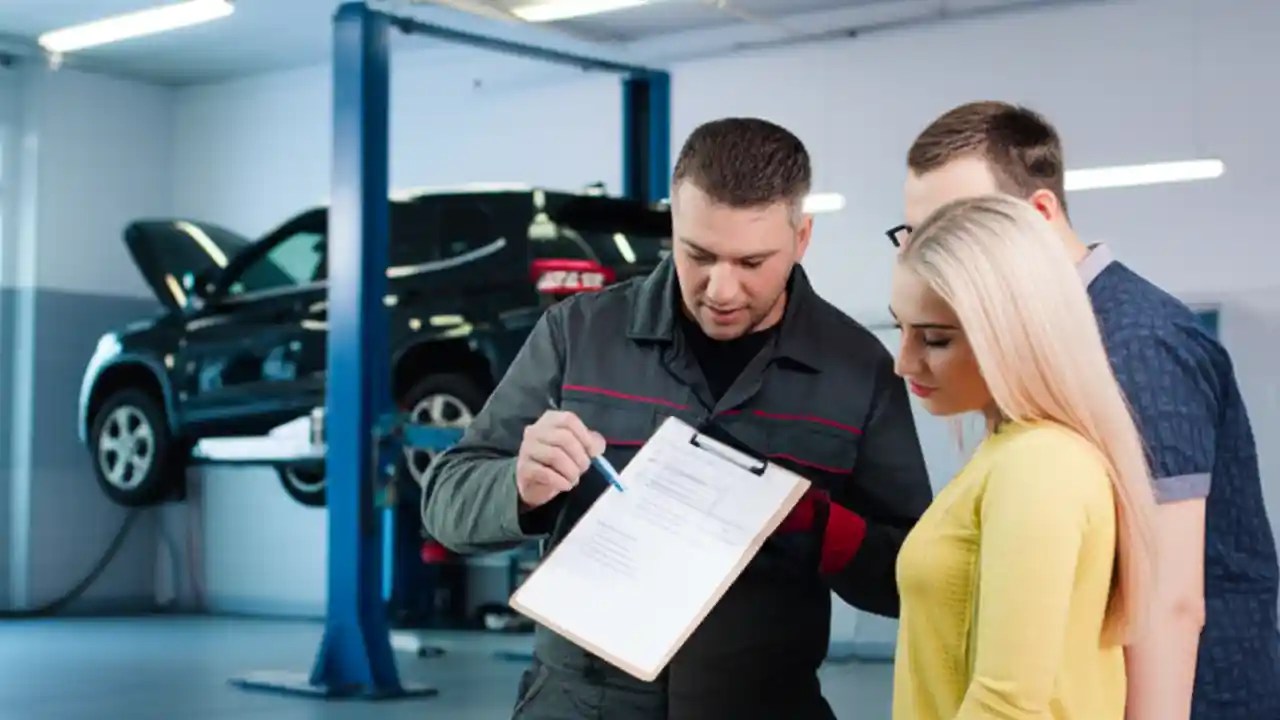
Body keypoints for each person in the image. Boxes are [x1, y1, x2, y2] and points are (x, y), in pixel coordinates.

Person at [421, 117, 934, 719]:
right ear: (674, 227)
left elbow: (913, 576)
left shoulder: (859, 369)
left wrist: (821, 530)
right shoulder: (579, 334)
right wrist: (519, 486)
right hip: (580, 704)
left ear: (802, 239)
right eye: (699, 255)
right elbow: (444, 502)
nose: (721, 288)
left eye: (751, 262)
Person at [897, 100, 1280, 720]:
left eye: (962, 223)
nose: (928, 254)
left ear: (1039, 215)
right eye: (915, 234)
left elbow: (1169, 602)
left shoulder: (1136, 345)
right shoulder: (1029, 360)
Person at [889, 192, 1158, 719]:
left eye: (935, 340)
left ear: (1012, 332)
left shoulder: (1039, 466)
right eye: (901, 329)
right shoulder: (1015, 451)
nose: (904, 362)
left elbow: (1007, 705)